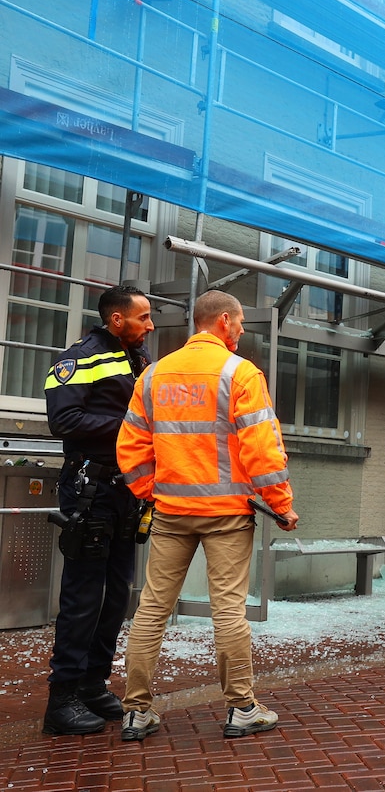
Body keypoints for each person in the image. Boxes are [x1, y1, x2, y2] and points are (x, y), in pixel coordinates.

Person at [116, 290, 300, 740]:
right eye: (238, 323)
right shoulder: (240, 373)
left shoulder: (154, 374)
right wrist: (281, 504)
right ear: (221, 321)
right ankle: (241, 708)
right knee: (229, 613)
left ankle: (136, 712)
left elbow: (131, 446)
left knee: (152, 609)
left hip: (171, 512)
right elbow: (261, 447)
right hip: (227, 515)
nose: (241, 330)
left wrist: (150, 492)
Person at [40, 286, 154, 735]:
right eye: (143, 318)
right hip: (89, 488)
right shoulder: (76, 359)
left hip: (128, 490)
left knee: (115, 595)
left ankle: (92, 684)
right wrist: (132, 427)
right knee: (83, 596)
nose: (150, 326)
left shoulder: (140, 360)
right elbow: (63, 421)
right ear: (116, 320)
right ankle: (61, 699)